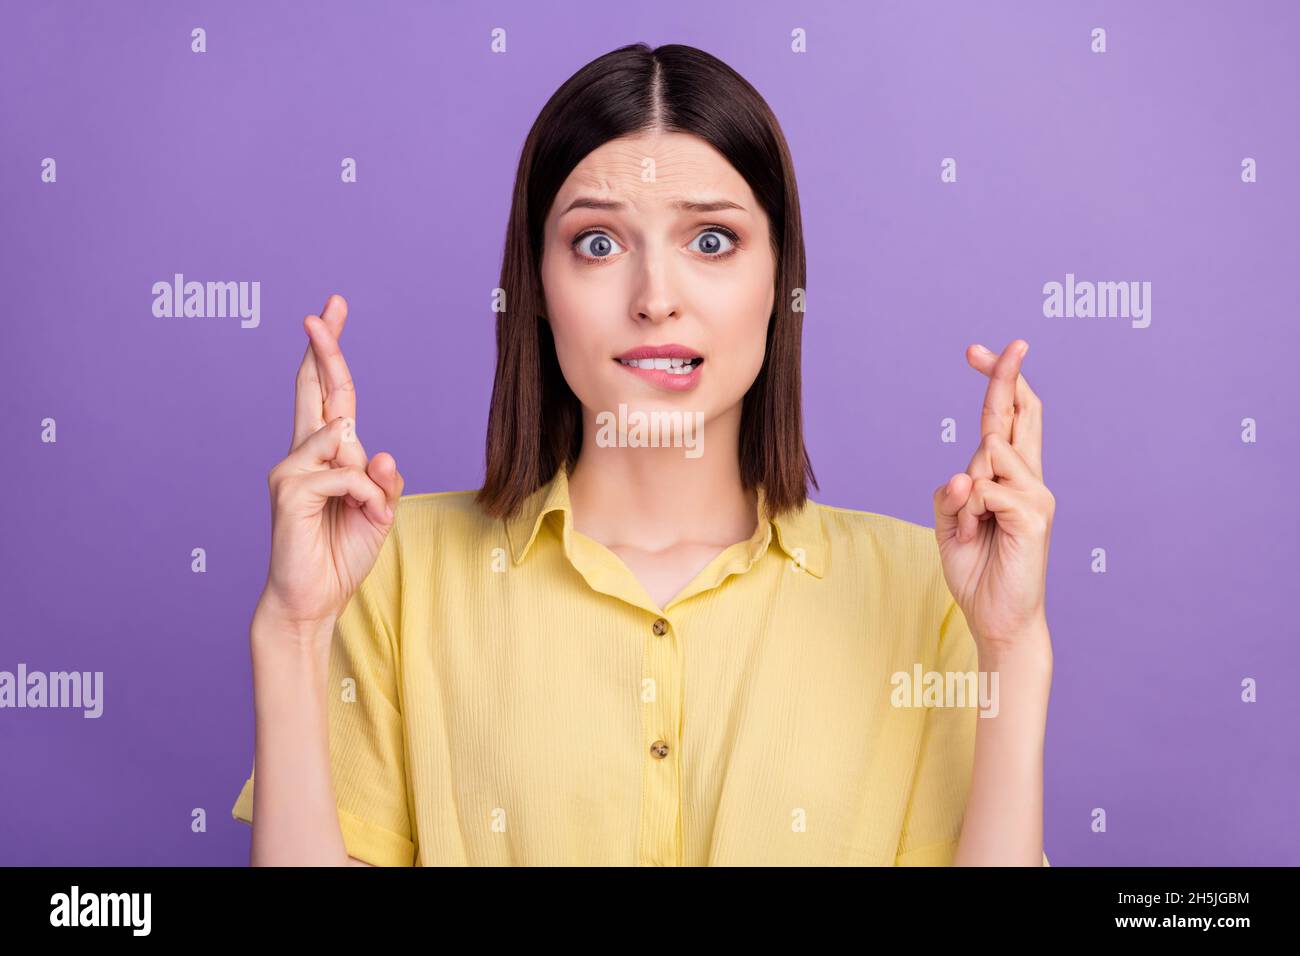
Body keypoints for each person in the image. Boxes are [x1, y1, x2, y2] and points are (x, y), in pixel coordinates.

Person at [231, 42, 1054, 866]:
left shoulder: (928, 591)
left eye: (710, 242)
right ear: (538, 287)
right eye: (598, 244)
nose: (656, 299)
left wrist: (1012, 650)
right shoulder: (392, 572)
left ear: (778, 282)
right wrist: (295, 630)